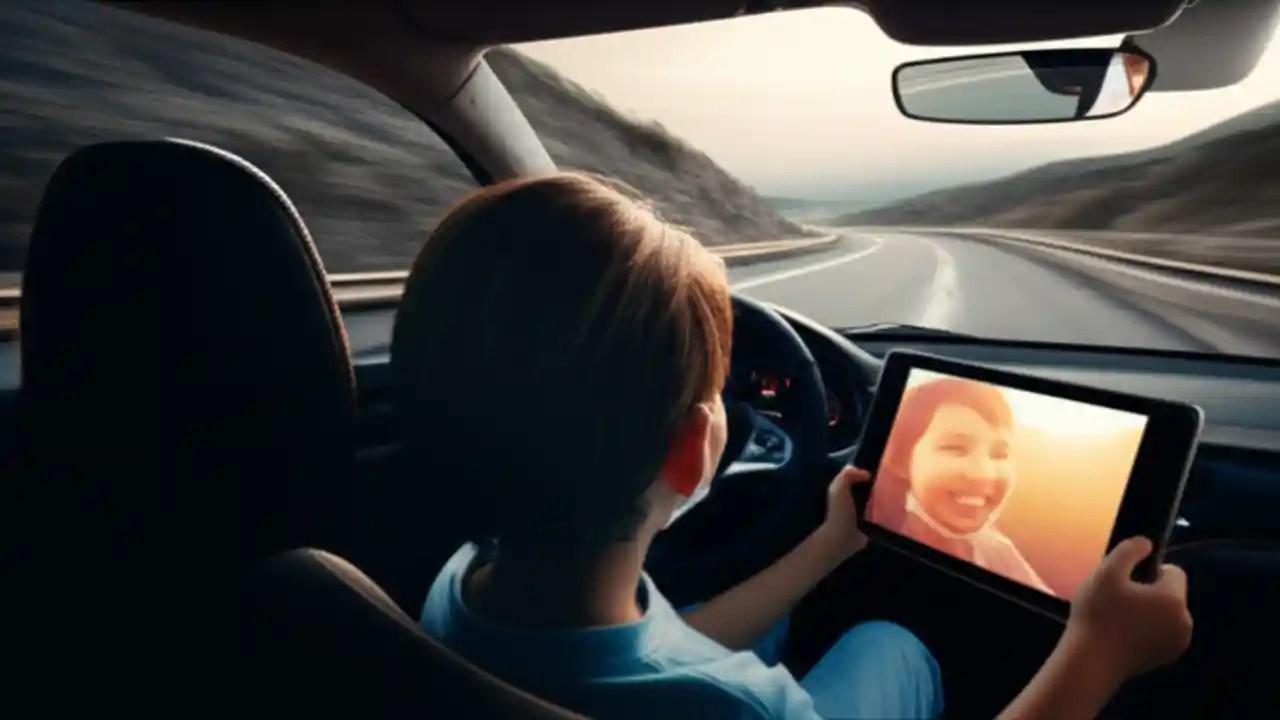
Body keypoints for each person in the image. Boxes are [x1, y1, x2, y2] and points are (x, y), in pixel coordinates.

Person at [392, 172, 1193, 719]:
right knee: (891, 644)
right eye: (719, 392)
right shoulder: (741, 707)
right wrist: (1099, 653)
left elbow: (662, 647)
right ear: (694, 449)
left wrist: (830, 546)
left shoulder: (462, 578)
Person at [867, 377, 1053, 594]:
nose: (983, 473)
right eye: (955, 448)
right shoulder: (872, 541)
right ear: (900, 459)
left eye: (999, 453)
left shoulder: (998, 552)